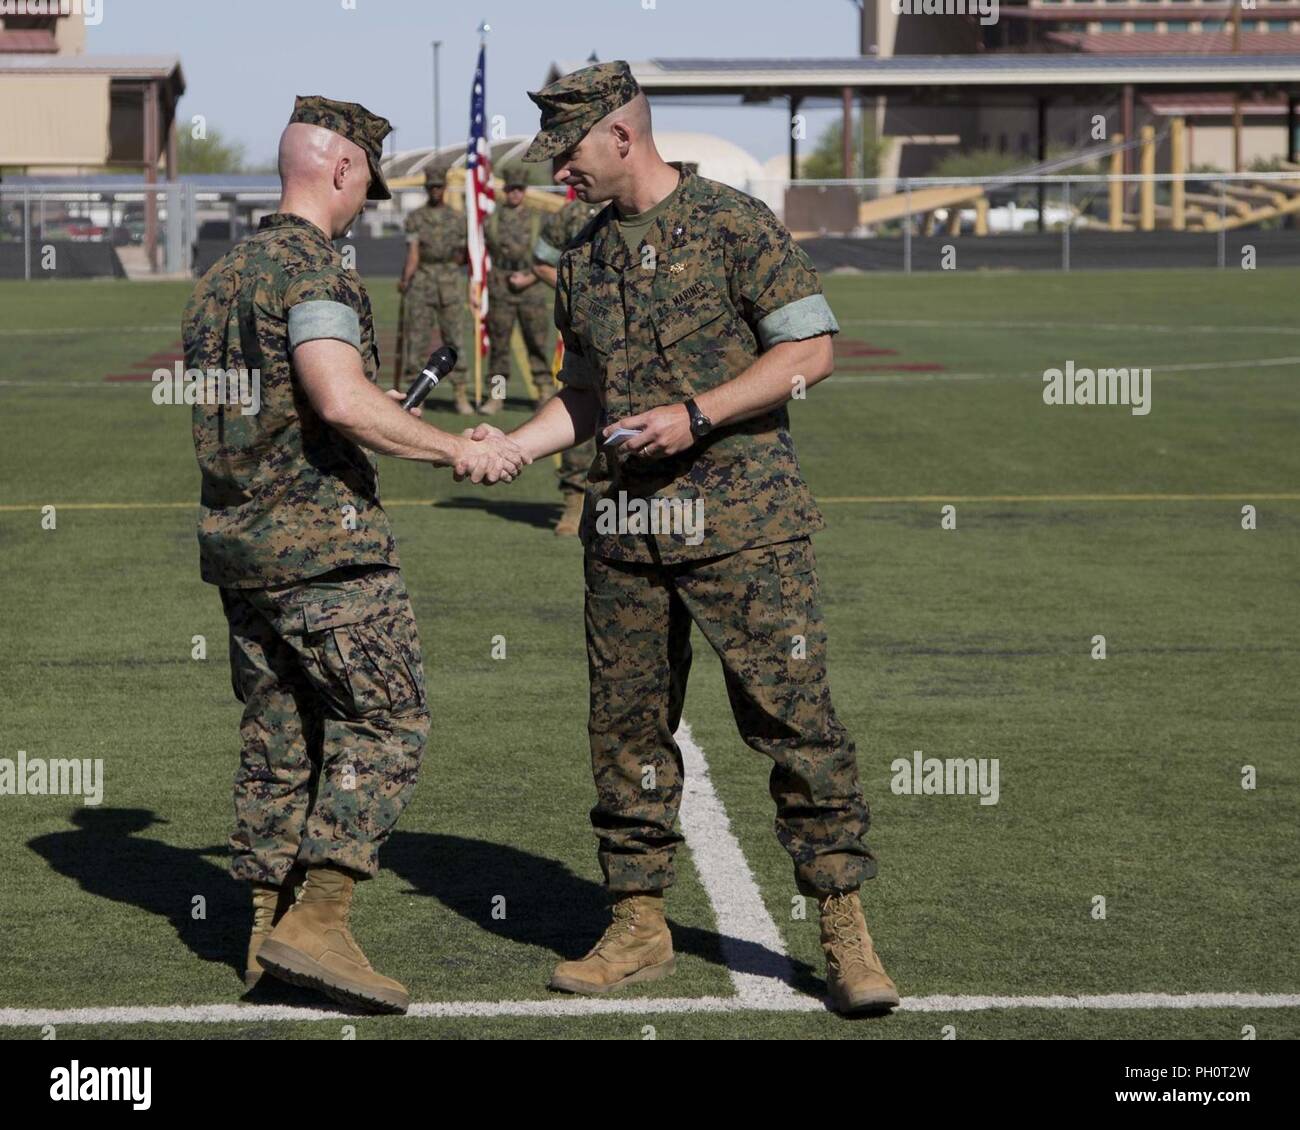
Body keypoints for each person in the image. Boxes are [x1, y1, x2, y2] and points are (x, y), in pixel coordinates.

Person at [472, 62, 899, 1013]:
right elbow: (583, 393)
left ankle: (842, 924)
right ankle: (637, 921)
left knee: (794, 720)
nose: (560, 171)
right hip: (626, 534)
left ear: (622, 136)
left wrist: (697, 415)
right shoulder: (581, 253)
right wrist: (513, 445)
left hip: (743, 526)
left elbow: (811, 353)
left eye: (570, 150)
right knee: (625, 729)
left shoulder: (733, 223)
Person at [183, 95, 526, 1014]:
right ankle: (320, 919)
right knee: (389, 720)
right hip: (321, 552)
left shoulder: (224, 274)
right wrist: (457, 448)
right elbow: (337, 399)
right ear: (340, 170)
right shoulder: (315, 271)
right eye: (369, 171)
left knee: (280, 734)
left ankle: (262, 933)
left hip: (240, 545)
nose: (373, 188)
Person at [532, 195, 603, 536]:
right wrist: (575, 295)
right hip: (584, 331)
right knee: (579, 404)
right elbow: (541, 261)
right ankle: (574, 500)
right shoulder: (572, 214)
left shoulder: (638, 208)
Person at [398, 166, 472, 415]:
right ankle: (417, 393)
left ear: (445, 188)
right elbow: (413, 253)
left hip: (449, 280)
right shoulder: (416, 217)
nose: (436, 191)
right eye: (431, 187)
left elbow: (463, 254)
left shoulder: (458, 218)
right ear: (426, 189)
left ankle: (460, 392)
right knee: (417, 339)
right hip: (422, 280)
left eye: (439, 186)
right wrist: (406, 279)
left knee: (455, 339)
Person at [481, 169, 554, 415]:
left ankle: (544, 392)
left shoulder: (539, 220)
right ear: (505, 191)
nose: (514, 193)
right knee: (500, 344)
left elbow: (551, 256)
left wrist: (529, 278)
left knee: (536, 340)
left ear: (524, 191)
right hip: (501, 283)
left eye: (519, 189)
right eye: (511, 189)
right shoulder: (492, 220)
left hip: (531, 284)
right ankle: (497, 396)